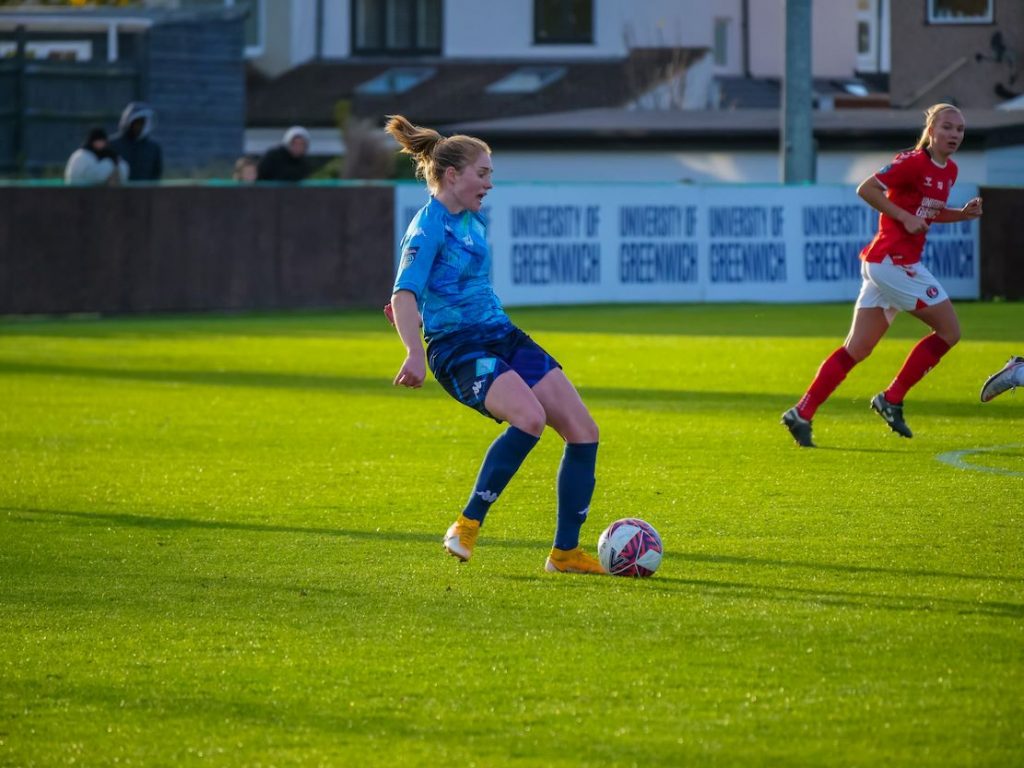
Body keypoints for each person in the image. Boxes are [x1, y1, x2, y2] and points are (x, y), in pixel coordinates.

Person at [384, 114, 604, 574]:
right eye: (482, 173)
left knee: (584, 431)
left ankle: (565, 554)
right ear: (452, 175)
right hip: (458, 348)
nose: (489, 183)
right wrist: (413, 352)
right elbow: (403, 293)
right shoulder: (427, 227)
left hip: (501, 334)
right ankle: (466, 525)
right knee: (530, 418)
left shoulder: (473, 219)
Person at [782, 103, 984, 447]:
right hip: (893, 262)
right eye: (947, 127)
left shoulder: (949, 170)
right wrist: (903, 217)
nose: (954, 134)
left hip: (888, 265)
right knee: (949, 331)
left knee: (857, 349)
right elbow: (866, 189)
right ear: (931, 130)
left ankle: (802, 412)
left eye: (960, 129)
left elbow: (927, 212)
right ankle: (891, 398)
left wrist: (961, 214)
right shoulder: (911, 162)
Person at [108, 102, 163, 181]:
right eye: (136, 122)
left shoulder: (153, 148)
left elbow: (156, 175)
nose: (138, 126)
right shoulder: (112, 144)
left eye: (142, 123)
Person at [64, 127, 129, 186]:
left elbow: (123, 171)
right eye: (98, 140)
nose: (100, 143)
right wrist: (109, 163)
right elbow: (95, 176)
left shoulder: (107, 154)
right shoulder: (82, 156)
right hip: (79, 191)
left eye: (102, 140)